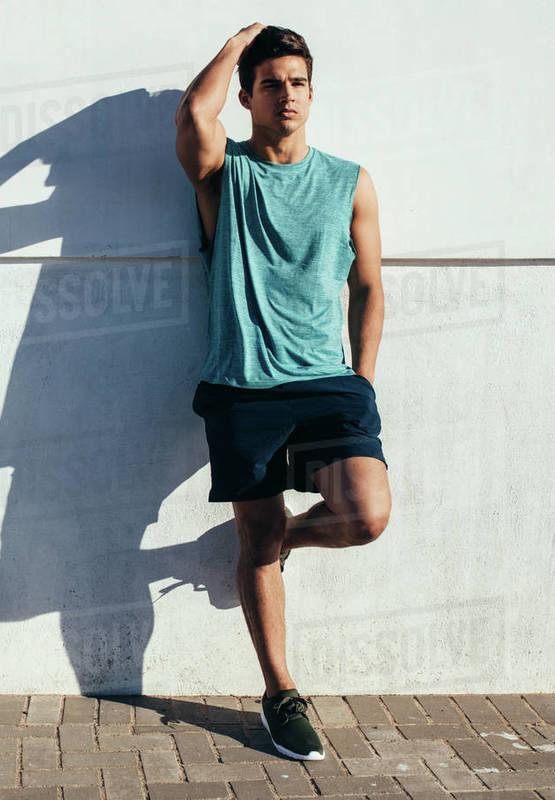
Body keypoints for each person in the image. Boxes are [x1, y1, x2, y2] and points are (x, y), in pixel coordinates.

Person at [173, 24, 392, 761]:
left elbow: (369, 287)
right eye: (272, 83)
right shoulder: (223, 173)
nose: (288, 94)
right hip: (242, 388)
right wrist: (241, 39)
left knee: (366, 515)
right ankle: (281, 693)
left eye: (298, 81)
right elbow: (191, 120)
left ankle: (278, 540)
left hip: (329, 384)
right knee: (255, 540)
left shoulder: (348, 180)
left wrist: (360, 378)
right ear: (248, 96)